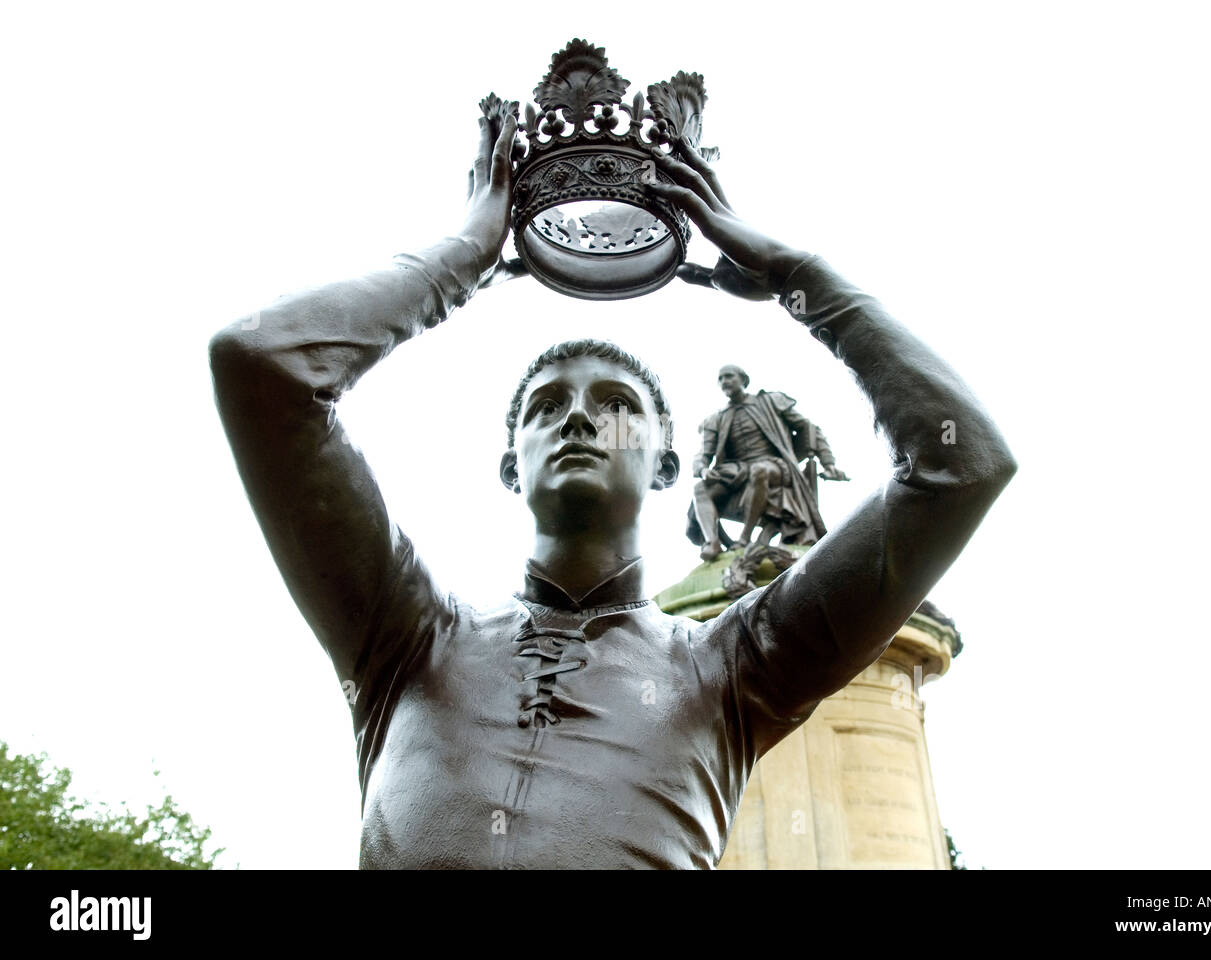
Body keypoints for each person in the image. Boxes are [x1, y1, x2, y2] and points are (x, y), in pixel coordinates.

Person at [208, 111, 1016, 868]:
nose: (581, 421)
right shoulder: (405, 636)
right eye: (548, 406)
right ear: (509, 466)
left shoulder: (732, 668)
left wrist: (802, 279)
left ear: (668, 466)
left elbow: (963, 464)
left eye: (618, 406)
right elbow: (263, 367)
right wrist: (458, 260)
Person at [689, 363, 849, 561]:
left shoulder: (770, 401)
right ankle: (712, 542)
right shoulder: (715, 419)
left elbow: (809, 429)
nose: (724, 382)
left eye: (729, 376)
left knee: (759, 470)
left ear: (743, 379)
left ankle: (745, 538)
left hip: (775, 465)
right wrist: (703, 469)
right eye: (720, 379)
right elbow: (703, 454)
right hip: (737, 470)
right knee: (700, 489)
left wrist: (829, 463)